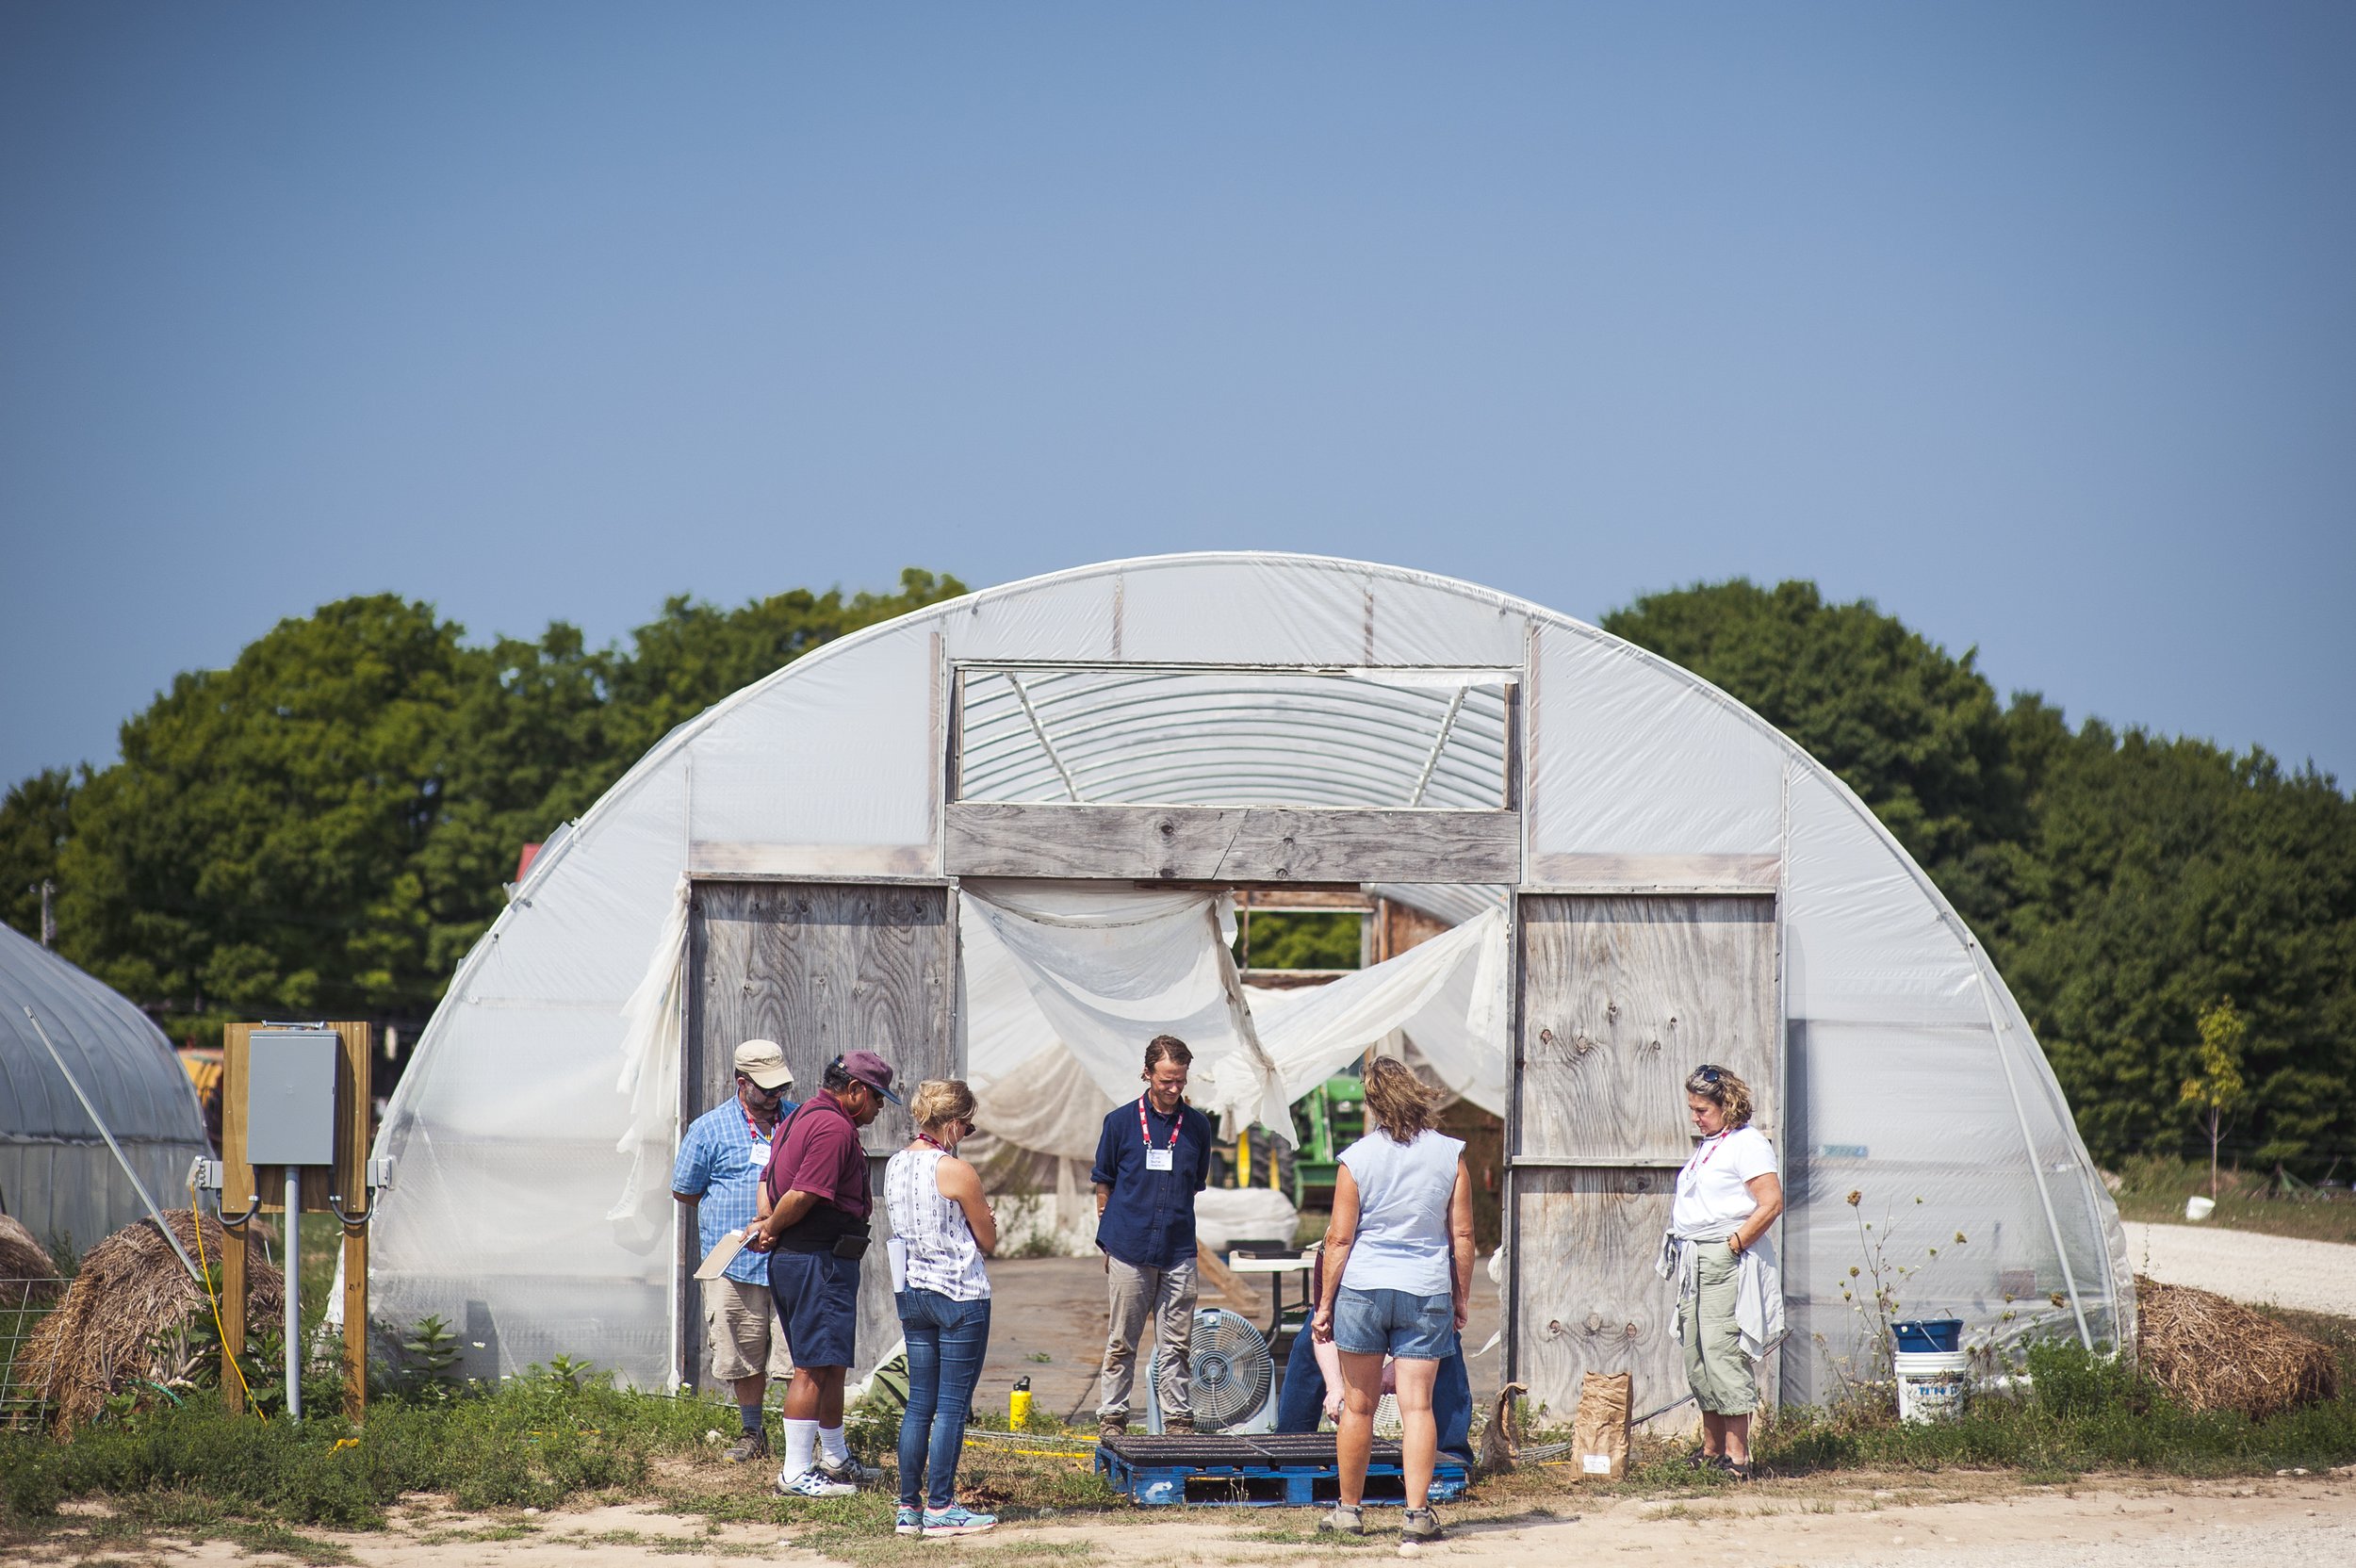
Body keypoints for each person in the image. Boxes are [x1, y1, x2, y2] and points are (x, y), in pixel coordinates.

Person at [1312, 1057, 1475, 1543]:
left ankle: (1348, 1510)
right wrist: (1461, 1296)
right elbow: (1462, 1233)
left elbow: (1337, 1241)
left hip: (1364, 1289)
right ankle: (1418, 1514)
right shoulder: (1451, 1154)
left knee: (1358, 1407)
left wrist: (1324, 1306)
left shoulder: (1356, 1159)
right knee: (1418, 1408)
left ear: (1372, 1104)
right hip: (1426, 1289)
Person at [749, 1048, 900, 1497]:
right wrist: (772, 1228)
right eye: (876, 1098)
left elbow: (768, 1180)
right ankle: (796, 1472)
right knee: (812, 1368)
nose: (876, 1108)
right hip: (816, 1259)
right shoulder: (833, 1127)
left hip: (817, 1259)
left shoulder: (801, 1116)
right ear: (854, 1090)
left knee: (832, 1363)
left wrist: (767, 1222)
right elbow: (802, 1194)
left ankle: (834, 1457)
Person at [671, 1038, 800, 1462]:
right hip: (735, 1261)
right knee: (742, 1353)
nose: (775, 1097)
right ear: (740, 1083)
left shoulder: (798, 1122)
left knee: (796, 1353)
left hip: (790, 1258)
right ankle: (752, 1431)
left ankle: (804, 1437)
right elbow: (684, 1191)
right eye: (766, 1090)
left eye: (780, 1088)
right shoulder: (707, 1129)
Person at [1656, 1062, 1784, 1480]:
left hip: (1722, 1257)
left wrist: (1735, 1244)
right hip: (1696, 1257)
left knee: (1722, 1351)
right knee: (1696, 1352)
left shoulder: (1747, 1144)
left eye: (1702, 1109)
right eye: (1692, 1108)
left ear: (1727, 1106)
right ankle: (1711, 1449)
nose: (1695, 1116)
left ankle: (1738, 1457)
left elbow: (1771, 1201)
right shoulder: (1711, 1144)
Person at [886, 1079, 999, 1538]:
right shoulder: (956, 1170)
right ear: (952, 1124)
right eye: (968, 1126)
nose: (967, 1133)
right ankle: (941, 1506)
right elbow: (987, 1240)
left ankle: (908, 1508)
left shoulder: (894, 1164)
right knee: (951, 1407)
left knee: (918, 1404)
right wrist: (989, 1220)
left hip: (912, 1291)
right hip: (959, 1293)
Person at [1090, 1034, 1214, 1440]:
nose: (1174, 1089)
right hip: (1128, 1245)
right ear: (1147, 1074)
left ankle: (1178, 1420)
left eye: (1180, 1080)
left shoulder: (1197, 1126)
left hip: (1178, 1248)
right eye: (1166, 1081)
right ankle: (1113, 1416)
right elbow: (1103, 1181)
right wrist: (1108, 1234)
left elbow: (1194, 1183)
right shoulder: (1121, 1122)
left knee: (1176, 1343)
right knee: (1122, 1339)